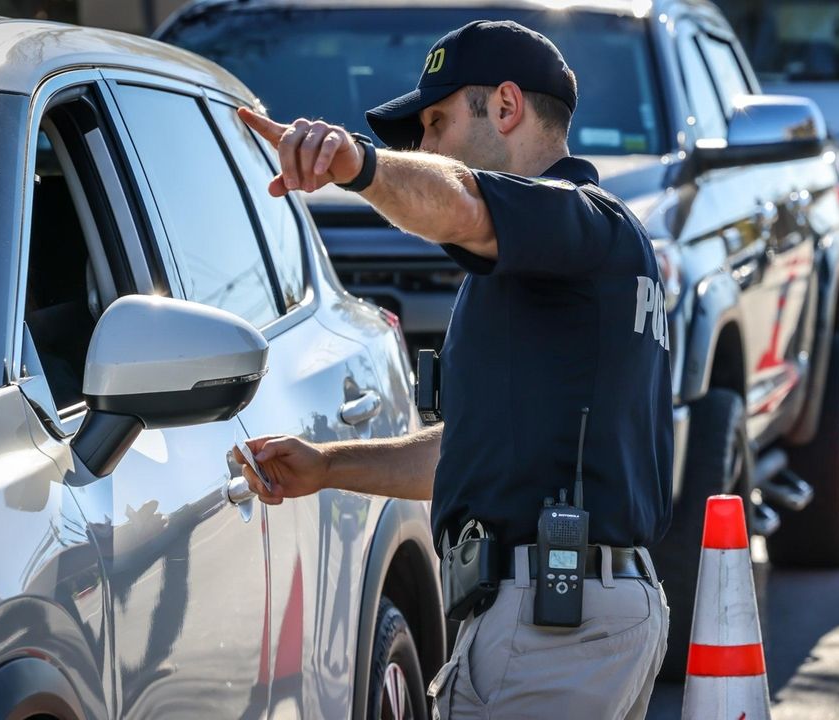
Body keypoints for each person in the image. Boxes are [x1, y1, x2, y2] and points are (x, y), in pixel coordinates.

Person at [233, 19, 672, 719]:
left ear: (507, 106)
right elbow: (469, 454)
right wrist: (327, 466)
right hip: (569, 615)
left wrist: (358, 165)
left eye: (437, 123)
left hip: (555, 622)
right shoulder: (562, 261)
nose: (426, 148)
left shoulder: (578, 219)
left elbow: (464, 203)